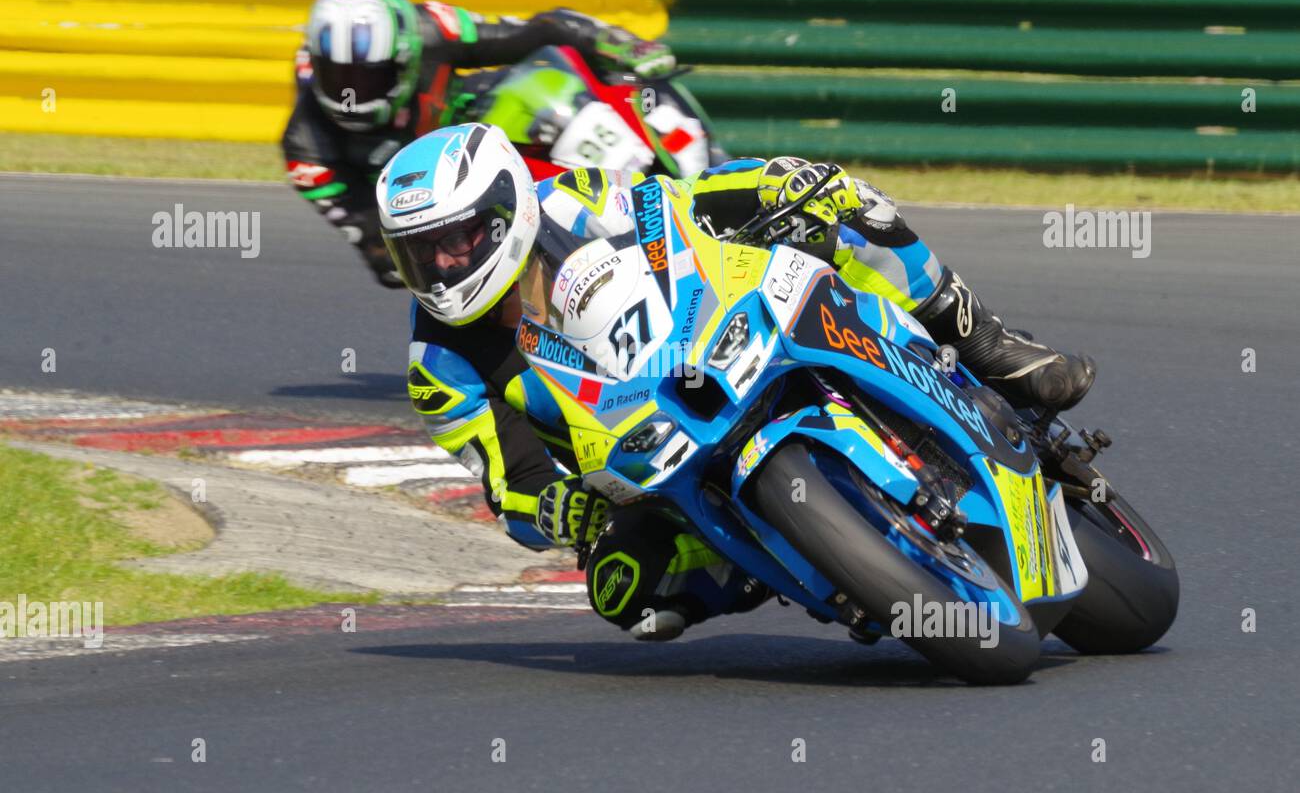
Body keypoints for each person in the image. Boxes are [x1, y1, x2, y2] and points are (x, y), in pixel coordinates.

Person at [377, 123, 1096, 641]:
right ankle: (781, 558)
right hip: (638, 460)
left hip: (711, 334)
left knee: (838, 214)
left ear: (505, 208)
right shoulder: (438, 369)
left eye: (458, 237)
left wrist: (772, 185)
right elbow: (512, 484)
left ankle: (989, 343)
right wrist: (559, 510)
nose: (441, 265)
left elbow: (676, 202)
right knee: (623, 588)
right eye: (419, 252)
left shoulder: (570, 201)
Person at [281, 0, 677, 287]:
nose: (352, 93)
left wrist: (620, 44)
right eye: (338, 76)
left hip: (467, 127)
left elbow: (541, 32)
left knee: (542, 89)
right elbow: (383, 256)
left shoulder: (432, 29)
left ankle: (663, 184)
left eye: (370, 76)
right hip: (430, 209)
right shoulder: (307, 150)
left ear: (404, 58)